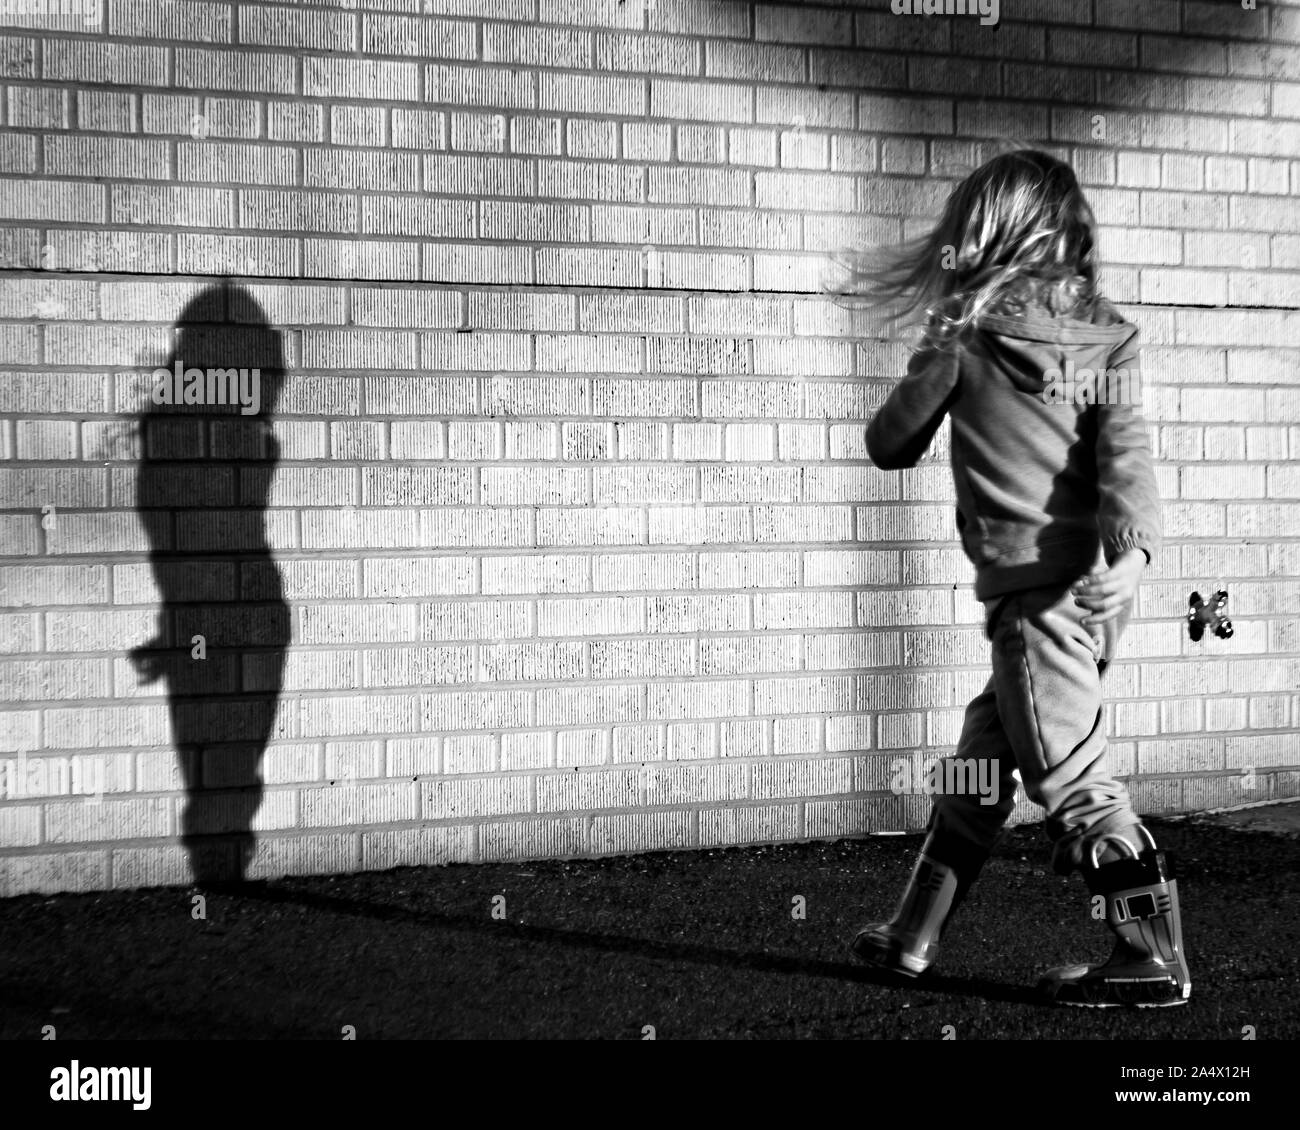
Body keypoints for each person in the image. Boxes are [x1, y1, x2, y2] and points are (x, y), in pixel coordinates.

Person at [838, 149, 1190, 1007]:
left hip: (1033, 608)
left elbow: (890, 442)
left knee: (1074, 777)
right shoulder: (1108, 337)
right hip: (1088, 600)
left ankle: (1150, 959)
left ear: (984, 233)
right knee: (980, 767)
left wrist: (938, 361)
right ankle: (912, 935)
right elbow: (1128, 459)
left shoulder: (966, 333)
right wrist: (1135, 558)